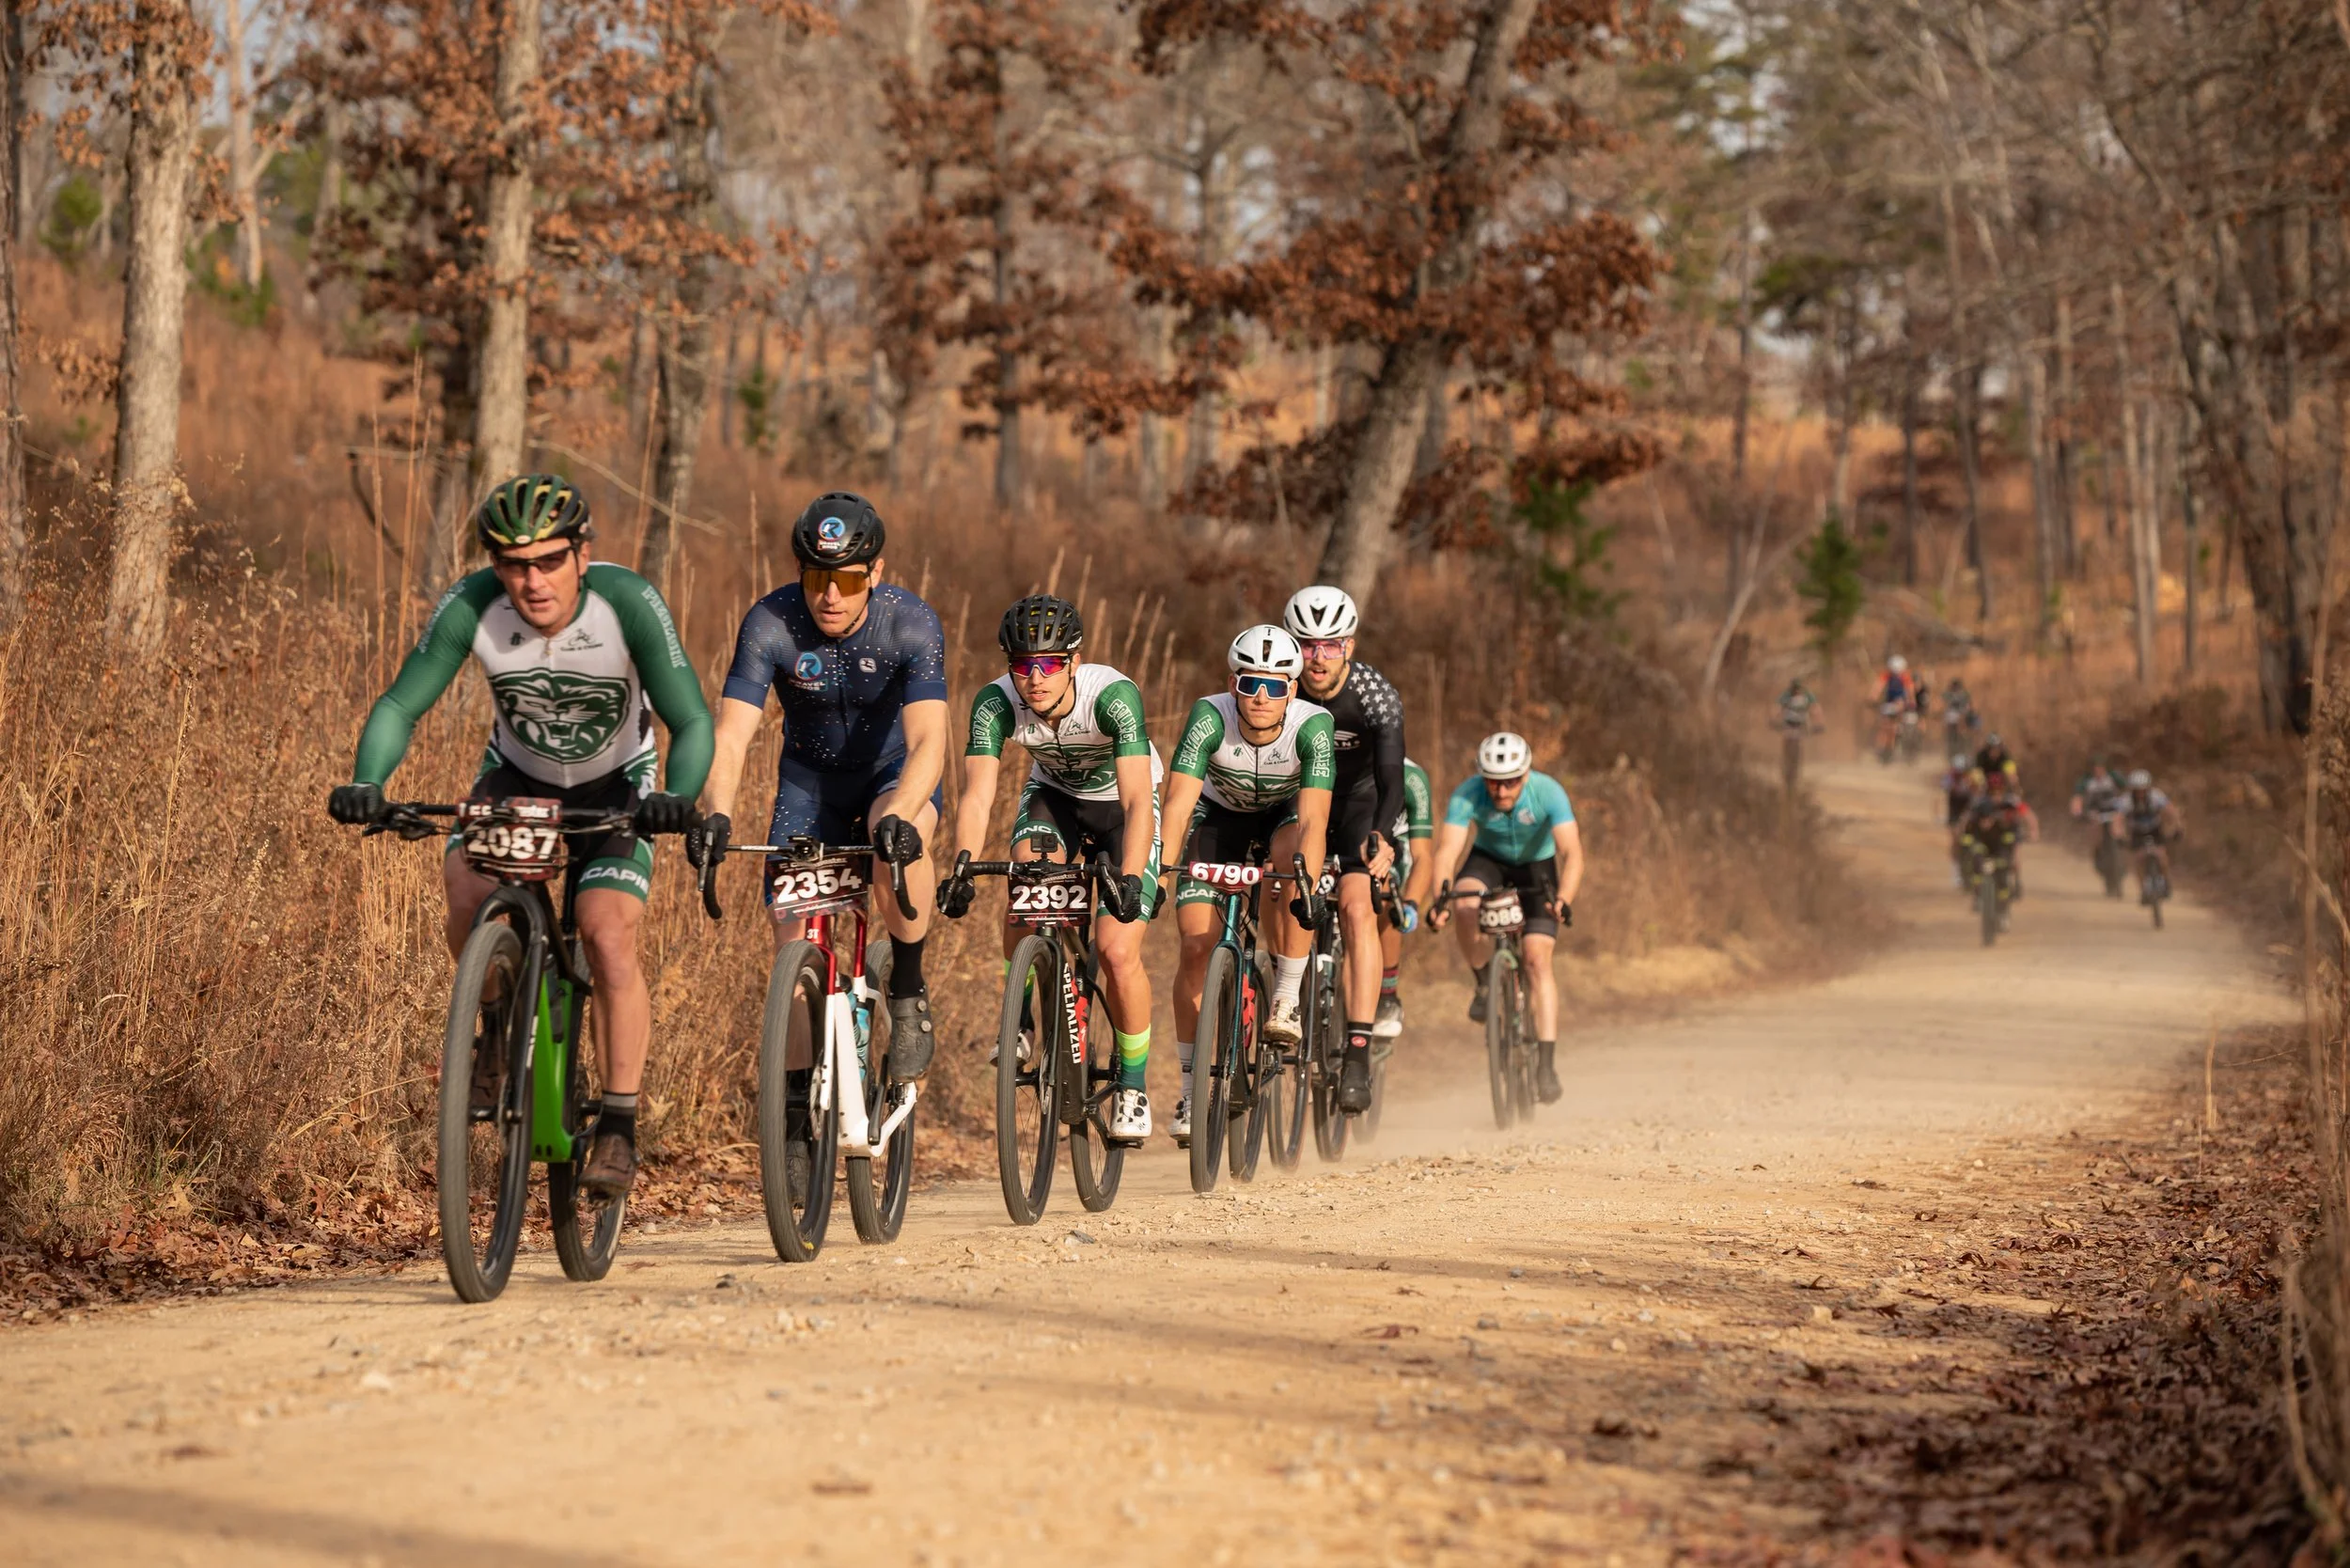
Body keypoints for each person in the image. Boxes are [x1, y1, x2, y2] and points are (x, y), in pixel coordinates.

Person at [326, 475, 713, 1197]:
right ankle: (500, 1022)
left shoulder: (627, 603)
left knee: (605, 933)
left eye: (548, 561)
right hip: (517, 778)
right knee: (468, 889)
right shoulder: (473, 604)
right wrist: (368, 782)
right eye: (512, 564)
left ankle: (621, 1127)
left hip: (619, 785)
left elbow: (691, 719)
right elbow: (401, 703)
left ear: (582, 554)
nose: (531, 581)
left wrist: (676, 798)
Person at [691, 491, 948, 1098]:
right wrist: (717, 812)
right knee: (792, 943)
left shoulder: (910, 623)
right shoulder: (770, 623)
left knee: (894, 848)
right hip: (810, 785)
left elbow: (930, 742)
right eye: (815, 576)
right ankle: (795, 1112)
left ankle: (907, 990)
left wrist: (906, 814)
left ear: (876, 574)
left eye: (848, 581)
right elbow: (730, 736)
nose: (830, 595)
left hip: (892, 777)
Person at [940, 595, 1162, 1143]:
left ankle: (1132, 1086)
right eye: (1021, 665)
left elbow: (1138, 801)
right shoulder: (995, 702)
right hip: (1054, 797)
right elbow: (978, 793)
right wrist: (962, 865)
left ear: (1074, 662)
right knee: (1026, 882)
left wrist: (1131, 878)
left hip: (1120, 810)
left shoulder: (1112, 696)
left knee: (1115, 949)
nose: (1034, 678)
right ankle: (1021, 1023)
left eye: (1049, 664)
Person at [1160, 625, 1335, 1144]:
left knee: (1290, 863)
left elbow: (1314, 823)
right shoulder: (1208, 715)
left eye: (1275, 686)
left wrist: (1307, 886)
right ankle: (1192, 1094)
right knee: (1195, 944)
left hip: (1283, 817)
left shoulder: (1314, 726)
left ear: (1293, 691)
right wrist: (1155, 876)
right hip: (1218, 819)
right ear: (1232, 683)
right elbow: (1177, 805)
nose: (1261, 697)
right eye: (1250, 684)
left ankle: (1285, 994)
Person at [1283, 585, 1406, 1113]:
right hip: (1299, 800)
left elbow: (1392, 778)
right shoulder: (1278, 687)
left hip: (1359, 804)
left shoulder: (1376, 694)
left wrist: (1382, 835)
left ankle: (1357, 1053)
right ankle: (1281, 993)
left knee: (1358, 908)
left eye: (1329, 646)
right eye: (1306, 645)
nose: (1316, 658)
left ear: (1348, 648)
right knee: (1279, 886)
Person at [1427, 732, 1583, 1105]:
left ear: (1525, 774)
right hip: (1489, 861)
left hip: (1537, 869)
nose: (1500, 790)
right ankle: (1484, 982)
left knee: (1536, 960)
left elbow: (1572, 853)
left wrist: (1563, 899)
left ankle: (1545, 1065)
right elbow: (1448, 851)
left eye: (1511, 781)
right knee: (1465, 903)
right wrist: (1440, 900)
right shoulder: (1468, 793)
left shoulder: (1548, 792)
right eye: (1493, 781)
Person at [1372, 756, 1437, 1041]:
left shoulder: (1412, 777)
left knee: (1385, 891)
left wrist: (1410, 903)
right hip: (1345, 845)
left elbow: (1424, 856)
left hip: (1394, 855)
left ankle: (1387, 995)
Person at [2121, 768, 2184, 897]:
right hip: (2137, 831)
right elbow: (2117, 818)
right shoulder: (2126, 800)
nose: (2140, 794)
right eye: (2137, 790)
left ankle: (2166, 881)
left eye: (2143, 790)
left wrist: (2178, 827)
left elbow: (2171, 811)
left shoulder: (2156, 796)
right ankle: (2143, 888)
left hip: (2155, 829)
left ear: (2148, 788)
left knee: (2162, 856)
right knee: (2138, 859)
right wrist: (2118, 835)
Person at [1938, 752, 1981, 887]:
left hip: (1970, 811)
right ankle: (1955, 872)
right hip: (1955, 812)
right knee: (1955, 840)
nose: (1962, 775)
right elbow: (1942, 789)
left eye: (1964, 772)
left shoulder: (1974, 776)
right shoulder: (1950, 777)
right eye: (1959, 772)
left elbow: (1981, 792)